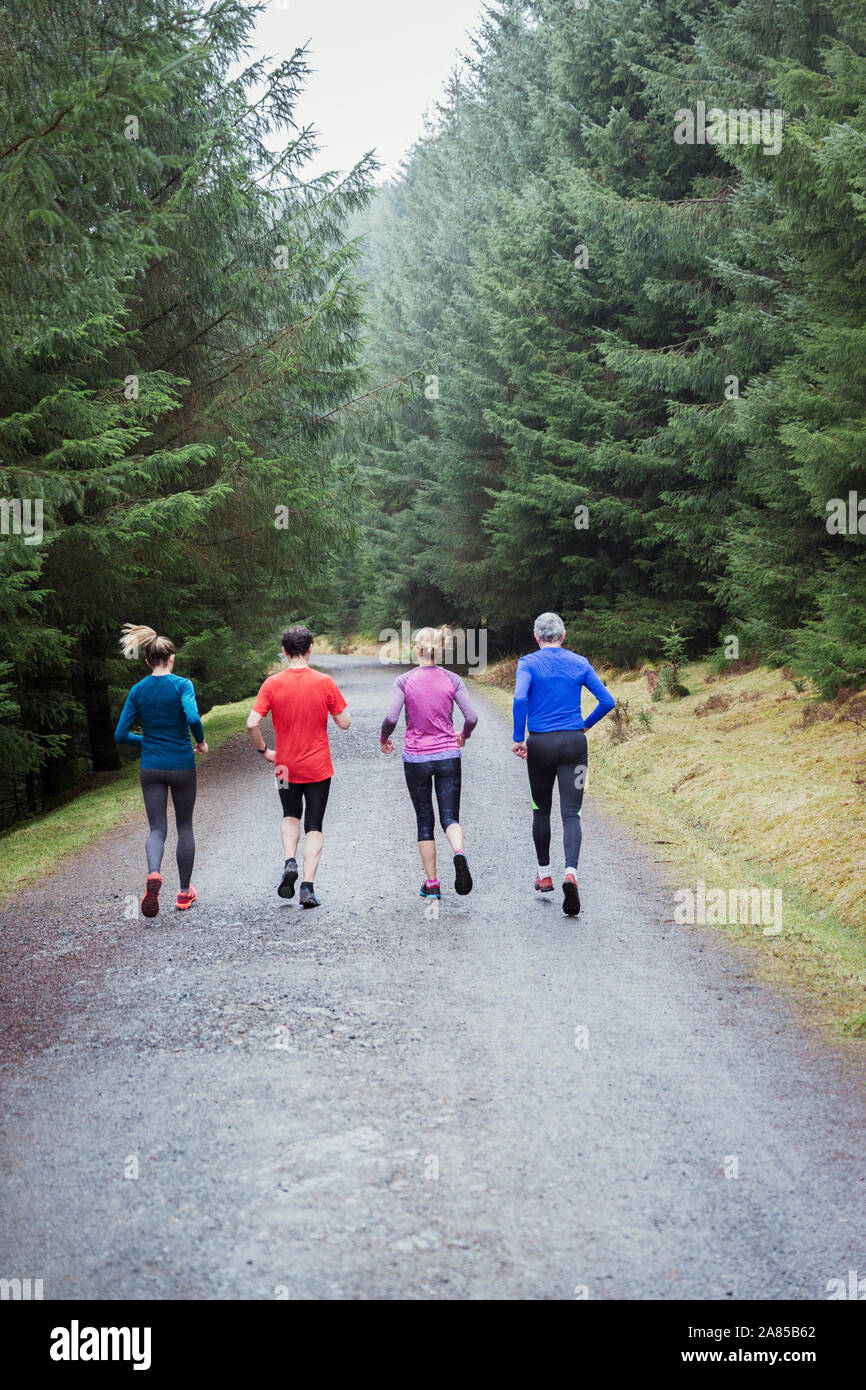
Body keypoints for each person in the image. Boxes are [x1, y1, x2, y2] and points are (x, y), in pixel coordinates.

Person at [512, 611, 614, 917]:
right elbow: (607, 701)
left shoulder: (528, 663)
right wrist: (583, 725)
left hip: (540, 745)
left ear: (536, 637)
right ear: (563, 635)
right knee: (573, 813)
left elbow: (519, 699)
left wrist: (519, 737)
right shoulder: (580, 663)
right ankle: (571, 872)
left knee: (540, 810)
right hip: (575, 746)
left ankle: (544, 875)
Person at [246, 625, 350, 909]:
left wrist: (264, 751)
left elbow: (251, 723)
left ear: (284, 651)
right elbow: (345, 722)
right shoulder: (324, 682)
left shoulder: (271, 684)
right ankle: (307, 886)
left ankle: (289, 860)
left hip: (283, 767)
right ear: (310, 648)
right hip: (318, 767)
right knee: (314, 824)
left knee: (289, 813)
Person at [114, 624, 208, 919]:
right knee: (185, 827)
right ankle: (183, 893)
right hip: (181, 764)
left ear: (146, 661)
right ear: (172, 658)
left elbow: (120, 735)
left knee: (157, 829)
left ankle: (154, 873)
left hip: (151, 767)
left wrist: (147, 741)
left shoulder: (138, 690)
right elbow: (192, 715)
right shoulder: (182, 685)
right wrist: (201, 741)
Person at [380, 626, 478, 900]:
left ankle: (432, 882)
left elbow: (391, 717)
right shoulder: (453, 679)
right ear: (441, 648)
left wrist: (383, 738)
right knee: (450, 817)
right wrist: (463, 736)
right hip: (448, 755)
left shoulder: (404, 681)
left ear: (416, 649)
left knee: (425, 820)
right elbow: (471, 717)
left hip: (416, 758)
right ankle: (458, 853)